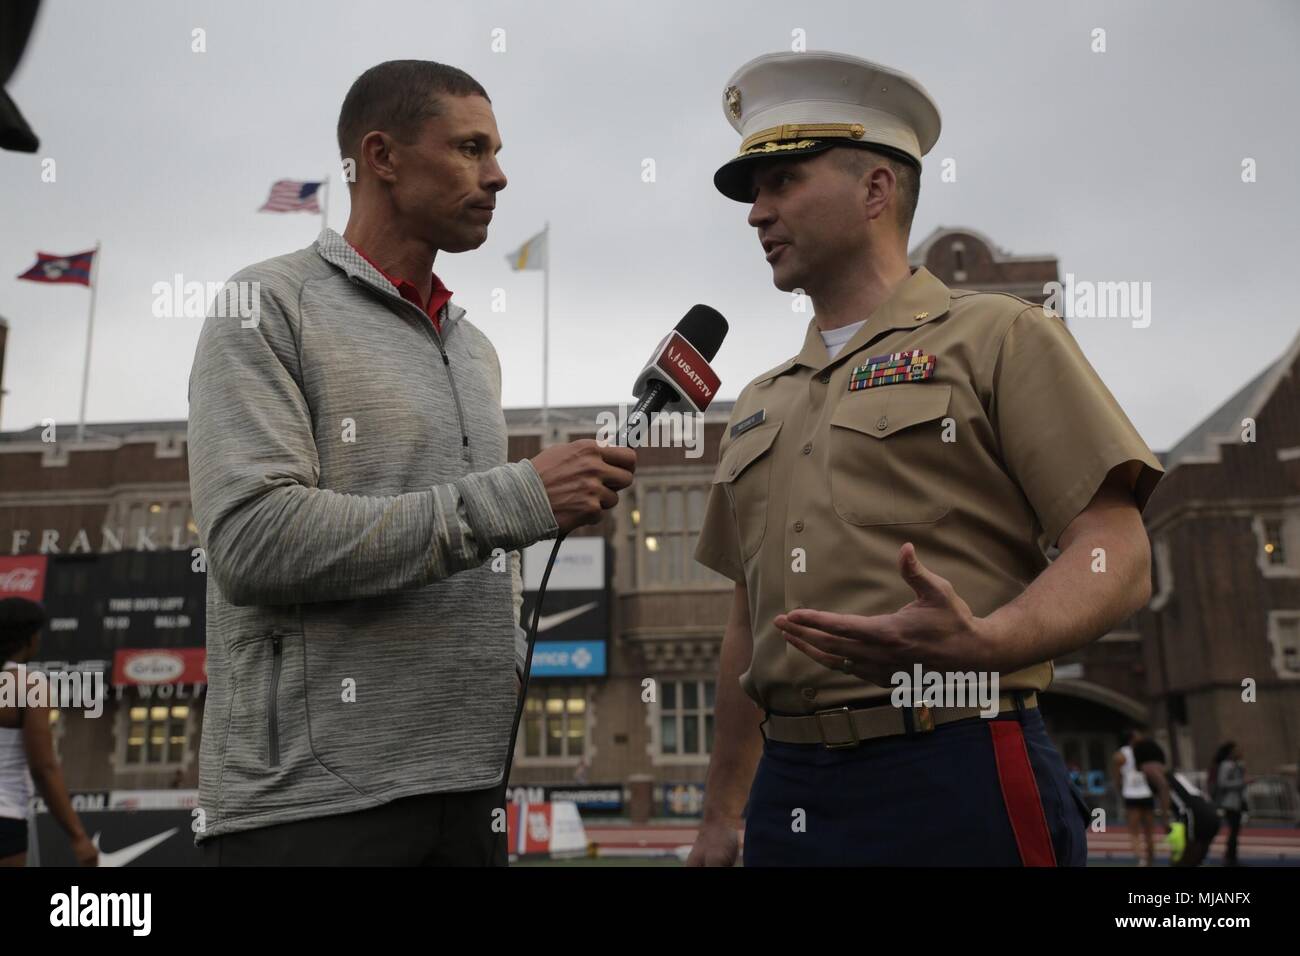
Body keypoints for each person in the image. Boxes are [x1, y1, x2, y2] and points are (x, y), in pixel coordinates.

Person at [688, 51, 1162, 866]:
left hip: (957, 760)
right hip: (789, 787)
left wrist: (992, 638)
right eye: (752, 193)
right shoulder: (762, 399)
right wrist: (723, 811)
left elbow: (1117, 550)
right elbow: (746, 625)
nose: (757, 212)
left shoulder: (1000, 337)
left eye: (782, 182)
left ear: (877, 189)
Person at [187, 60, 636, 866]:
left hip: (470, 793)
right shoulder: (265, 305)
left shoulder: (475, 350)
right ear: (382, 156)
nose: (497, 176)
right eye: (469, 149)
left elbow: (467, 552)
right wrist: (519, 497)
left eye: (495, 151)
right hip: (310, 809)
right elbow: (254, 541)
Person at [0, 598, 97, 867]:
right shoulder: (29, 687)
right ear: (29, 638)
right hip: (5, 816)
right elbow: (43, 768)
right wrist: (78, 836)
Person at [1132, 730, 1220, 867]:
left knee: (1182, 862)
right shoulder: (1168, 770)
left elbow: (1163, 786)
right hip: (1209, 812)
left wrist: (1165, 818)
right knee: (1194, 861)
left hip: (1194, 814)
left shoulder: (1148, 767)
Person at [1114, 729, 1156, 866]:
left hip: (1132, 794)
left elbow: (1117, 777)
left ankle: (1142, 859)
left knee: (1135, 831)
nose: (1141, 735)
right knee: (1147, 830)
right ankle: (1149, 859)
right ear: (1131, 738)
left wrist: (1120, 789)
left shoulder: (1120, 755)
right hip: (1144, 793)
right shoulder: (1144, 751)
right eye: (1138, 734)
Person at [1210, 741, 1246, 866]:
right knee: (1234, 829)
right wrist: (1242, 782)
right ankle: (1230, 856)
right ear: (1231, 752)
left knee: (1235, 829)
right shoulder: (1226, 765)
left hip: (1236, 801)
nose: (1240, 752)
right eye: (1236, 750)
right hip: (1229, 802)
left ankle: (1231, 855)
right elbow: (1222, 783)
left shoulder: (1237, 765)